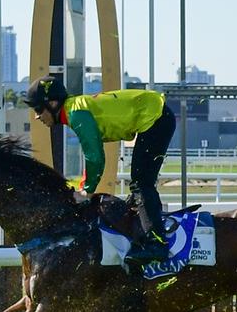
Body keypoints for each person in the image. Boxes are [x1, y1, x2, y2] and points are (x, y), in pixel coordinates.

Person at [24, 76, 177, 265]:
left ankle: (157, 244)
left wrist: (87, 190)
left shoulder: (76, 113)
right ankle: (144, 232)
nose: (37, 116)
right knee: (138, 183)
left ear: (53, 103)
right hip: (156, 116)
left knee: (141, 182)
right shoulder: (74, 109)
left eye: (38, 109)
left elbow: (95, 157)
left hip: (157, 118)